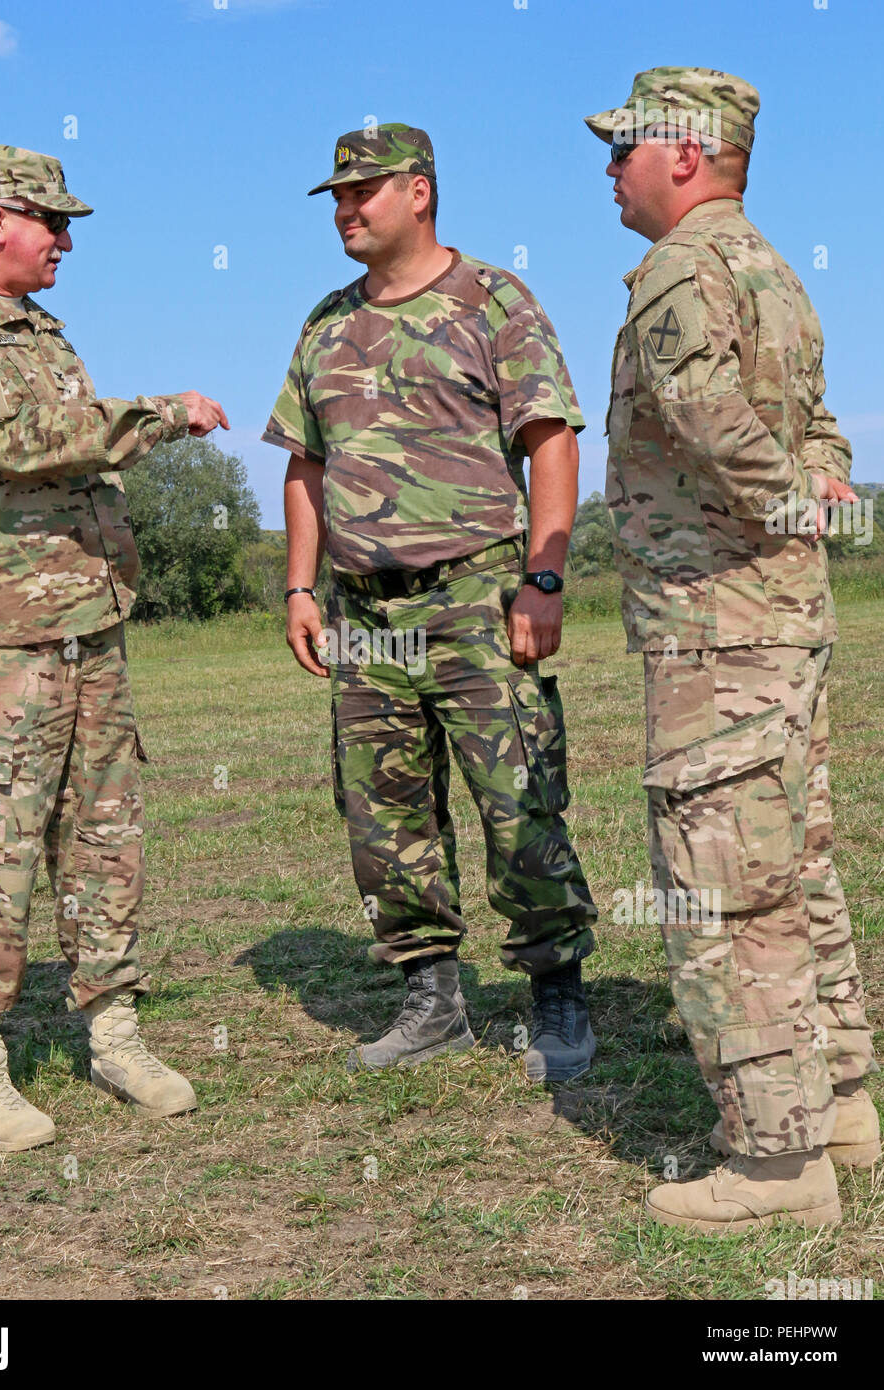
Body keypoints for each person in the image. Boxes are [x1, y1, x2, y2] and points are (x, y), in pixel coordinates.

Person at [0, 145, 229, 1152]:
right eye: (52, 223)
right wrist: (160, 413)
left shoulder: (41, 334)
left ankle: (113, 1031)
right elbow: (14, 443)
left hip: (84, 633)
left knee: (105, 839)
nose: (66, 242)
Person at [584, 69, 880, 1231]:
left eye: (622, 151)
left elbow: (712, 418)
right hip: (782, 621)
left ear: (686, 156)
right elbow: (822, 427)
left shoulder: (680, 267)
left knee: (718, 890)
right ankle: (841, 1105)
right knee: (795, 865)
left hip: (718, 627)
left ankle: (774, 1163)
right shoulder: (772, 271)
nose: (608, 171)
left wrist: (783, 505)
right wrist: (813, 493)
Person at [263, 124, 598, 1079]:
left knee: (518, 799)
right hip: (366, 615)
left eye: (363, 191)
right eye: (336, 196)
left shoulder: (493, 301)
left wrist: (542, 578)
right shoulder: (325, 324)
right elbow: (305, 465)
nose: (346, 208)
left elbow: (550, 440)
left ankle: (558, 995)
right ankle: (431, 997)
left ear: (420, 191)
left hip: (478, 595)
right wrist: (299, 585)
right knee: (384, 815)